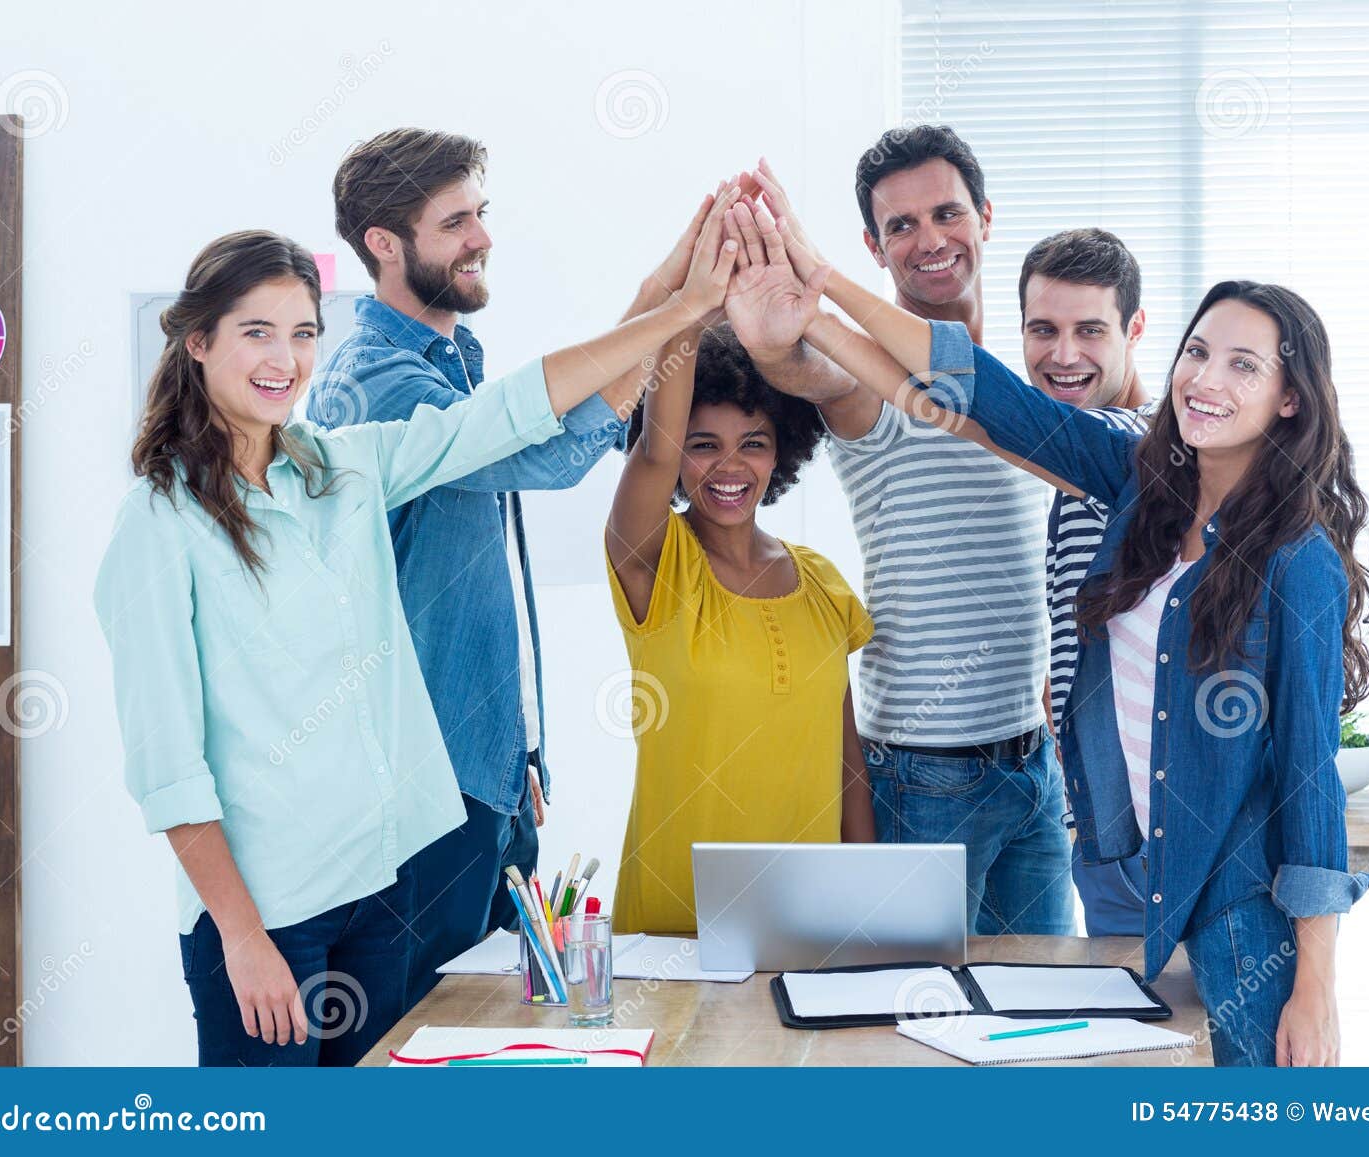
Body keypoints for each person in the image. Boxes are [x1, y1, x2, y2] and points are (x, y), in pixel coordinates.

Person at [749, 205, 1369, 1066]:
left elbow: (1310, 783)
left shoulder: (1298, 557)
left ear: (1289, 396)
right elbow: (980, 403)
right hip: (1122, 870)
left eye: (1244, 365)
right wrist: (812, 313)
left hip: (1241, 906)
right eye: (1199, 352)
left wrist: (1316, 985)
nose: (1207, 378)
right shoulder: (1139, 480)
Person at [94, 224, 736, 1065]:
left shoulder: (343, 471)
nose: (283, 357)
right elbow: (168, 769)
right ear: (198, 340)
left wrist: (676, 306)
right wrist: (241, 937)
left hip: (381, 889)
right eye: (257, 331)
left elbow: (505, 412)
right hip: (267, 914)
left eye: (303, 332)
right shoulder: (158, 525)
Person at [312, 128, 642, 1005]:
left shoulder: (453, 366)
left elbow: (466, 589)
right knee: (414, 1038)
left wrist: (512, 748)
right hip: (420, 793)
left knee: (499, 1034)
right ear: (385, 244)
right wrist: (674, 310)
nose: (482, 237)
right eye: (456, 221)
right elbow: (552, 459)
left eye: (481, 213)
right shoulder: (373, 382)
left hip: (483, 773)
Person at [723, 128, 1073, 937]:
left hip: (1035, 768)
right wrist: (777, 339)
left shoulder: (1034, 374)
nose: (929, 240)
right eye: (901, 227)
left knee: (1048, 1024)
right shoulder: (872, 378)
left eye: (946, 213)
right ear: (875, 251)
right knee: (919, 1027)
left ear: (985, 217)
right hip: (927, 778)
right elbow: (810, 372)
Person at [605, 186, 875, 936]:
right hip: (673, 920)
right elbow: (654, 448)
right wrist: (693, 305)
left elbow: (847, 756)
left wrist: (866, 893)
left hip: (807, 922)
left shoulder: (819, 579)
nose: (730, 466)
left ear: (780, 451)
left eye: (752, 442)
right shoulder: (655, 563)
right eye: (705, 444)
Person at [1014, 228, 1155, 936]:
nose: (1063, 355)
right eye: (1044, 329)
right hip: (1101, 825)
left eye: (1090, 330)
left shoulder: (1134, 442)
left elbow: (986, 411)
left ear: (1134, 329)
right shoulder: (1088, 465)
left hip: (1140, 841)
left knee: (1158, 1038)